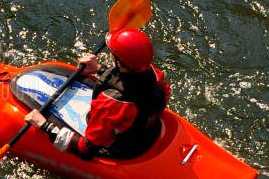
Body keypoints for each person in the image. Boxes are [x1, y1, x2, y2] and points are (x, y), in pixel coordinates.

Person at [24, 28, 171, 160]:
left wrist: (45, 125)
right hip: (145, 131)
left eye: (113, 52)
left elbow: (86, 149)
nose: (110, 52)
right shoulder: (155, 75)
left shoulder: (112, 102)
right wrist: (99, 69)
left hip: (122, 146)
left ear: (119, 63)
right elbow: (131, 84)